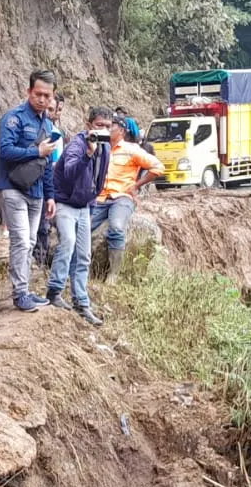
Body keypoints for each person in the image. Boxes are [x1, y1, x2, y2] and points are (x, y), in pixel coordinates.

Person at [0, 70, 59, 312]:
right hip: (12, 187)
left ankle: (25, 289)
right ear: (29, 92)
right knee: (21, 241)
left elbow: (47, 163)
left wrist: (50, 196)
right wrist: (36, 151)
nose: (42, 99)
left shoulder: (48, 124)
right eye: (38, 94)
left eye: (47, 96)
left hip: (37, 191)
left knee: (30, 242)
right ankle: (20, 293)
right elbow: (5, 150)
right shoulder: (14, 118)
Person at [45, 107, 114, 325]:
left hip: (85, 205)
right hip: (65, 201)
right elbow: (70, 172)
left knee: (84, 255)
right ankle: (54, 290)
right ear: (89, 124)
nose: (103, 130)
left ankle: (81, 302)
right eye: (99, 125)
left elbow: (99, 178)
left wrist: (92, 205)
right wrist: (88, 154)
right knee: (68, 242)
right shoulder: (78, 145)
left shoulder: (106, 148)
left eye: (107, 126)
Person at [90, 117, 164, 284]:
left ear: (121, 131)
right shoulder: (99, 147)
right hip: (100, 197)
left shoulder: (131, 149)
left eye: (111, 126)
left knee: (116, 227)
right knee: (82, 227)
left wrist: (136, 185)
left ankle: (113, 274)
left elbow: (158, 167)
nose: (107, 129)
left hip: (122, 196)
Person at [32, 96, 65, 269]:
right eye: (48, 109)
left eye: (53, 109)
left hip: (47, 186)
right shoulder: (30, 128)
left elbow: (55, 164)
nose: (50, 113)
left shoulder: (56, 134)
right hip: (28, 185)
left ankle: (41, 263)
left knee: (43, 227)